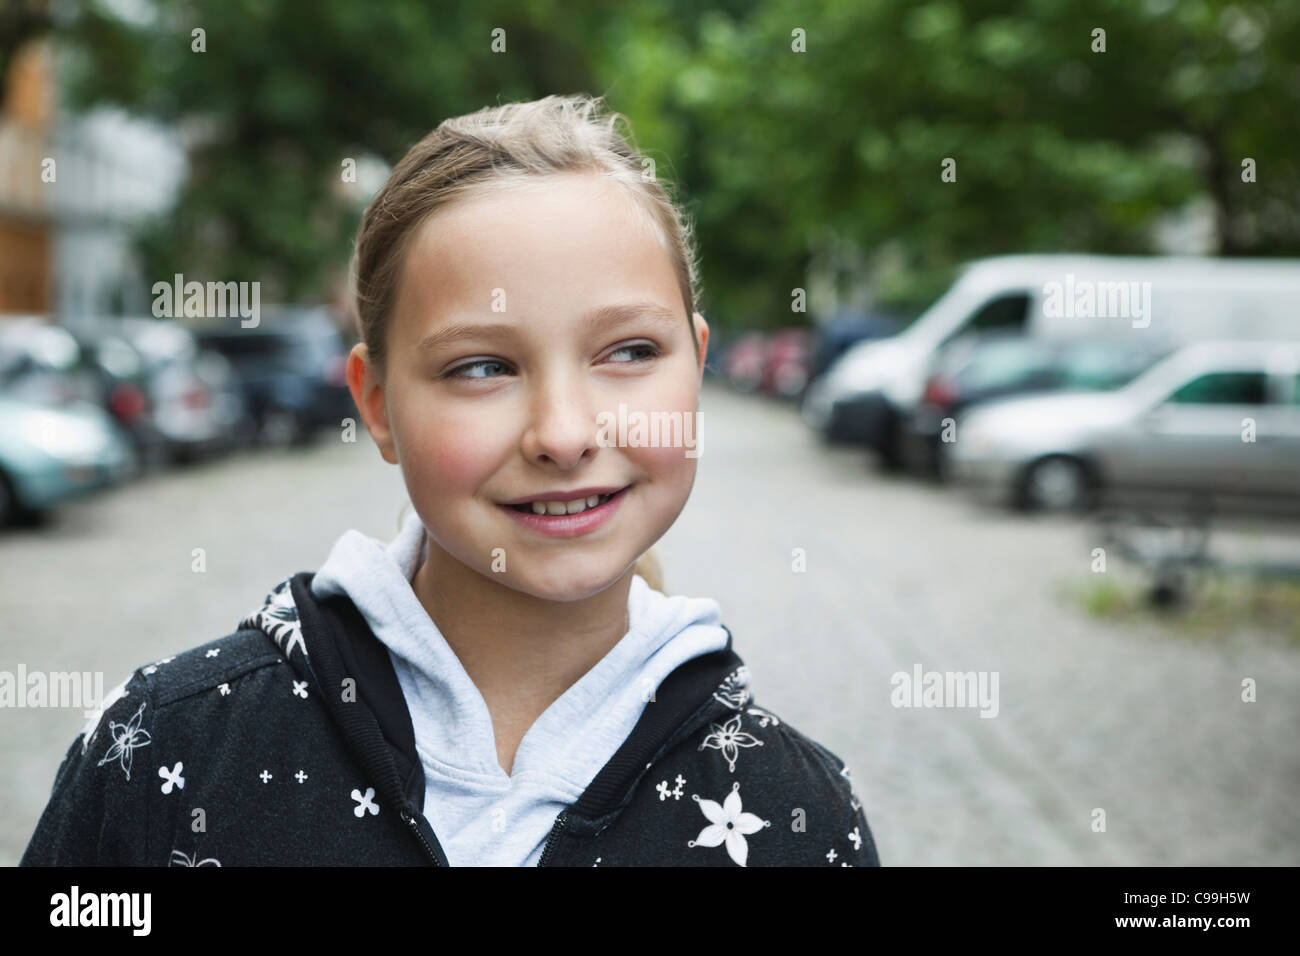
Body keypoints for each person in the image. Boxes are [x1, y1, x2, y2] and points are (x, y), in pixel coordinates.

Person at [21, 93, 880, 867]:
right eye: (481, 368)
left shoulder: (799, 818)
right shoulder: (165, 755)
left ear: (695, 368)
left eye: (628, 352)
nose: (564, 435)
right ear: (379, 404)